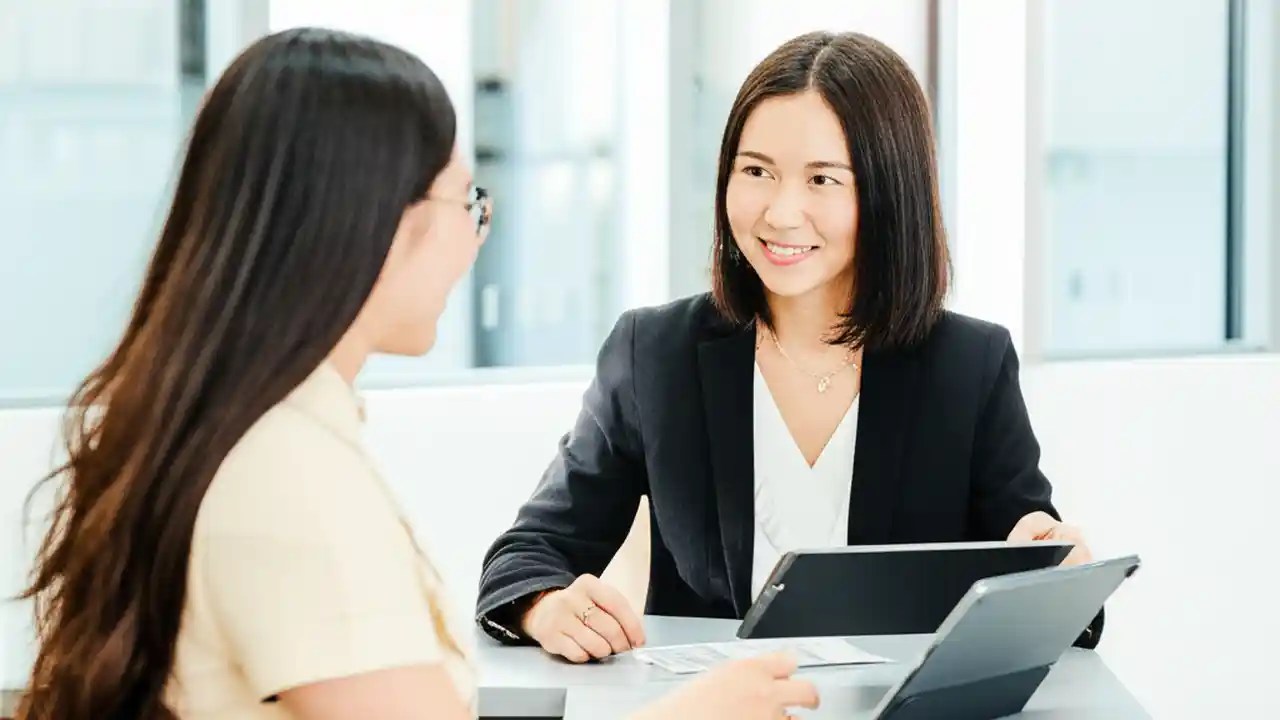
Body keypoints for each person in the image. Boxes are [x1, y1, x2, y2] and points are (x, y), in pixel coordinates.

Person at [16, 28, 818, 720]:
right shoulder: (287, 476)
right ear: (362, 221)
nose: (475, 241)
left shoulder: (245, 435)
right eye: (465, 201)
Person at [477, 30, 1102, 662]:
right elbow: (527, 555)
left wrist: (1058, 567)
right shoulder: (655, 354)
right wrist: (546, 604)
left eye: (824, 179)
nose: (780, 212)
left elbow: (1040, 583)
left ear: (890, 192)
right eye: (756, 172)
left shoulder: (970, 366)